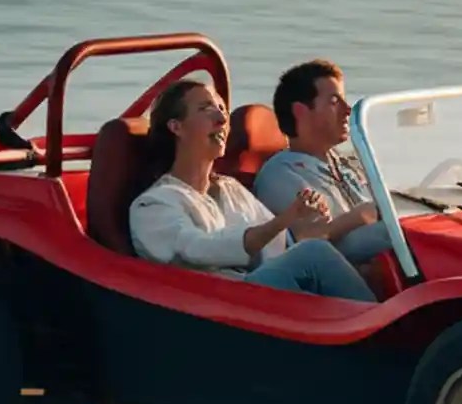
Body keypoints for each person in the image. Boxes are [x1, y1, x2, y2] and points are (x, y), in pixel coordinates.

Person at [128, 79, 377, 303]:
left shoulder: (229, 189)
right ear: (176, 127)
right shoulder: (153, 205)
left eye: (222, 109)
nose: (222, 119)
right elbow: (197, 249)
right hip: (214, 302)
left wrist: (304, 225)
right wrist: (283, 221)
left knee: (340, 260)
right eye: (206, 109)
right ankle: (383, 332)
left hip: (255, 294)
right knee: (314, 254)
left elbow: (280, 247)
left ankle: (379, 321)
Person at [254, 59, 392, 265]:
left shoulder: (347, 165)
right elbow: (310, 243)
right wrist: (362, 215)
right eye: (334, 101)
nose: (348, 110)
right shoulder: (280, 175)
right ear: (300, 111)